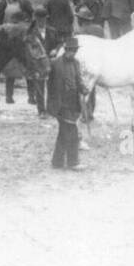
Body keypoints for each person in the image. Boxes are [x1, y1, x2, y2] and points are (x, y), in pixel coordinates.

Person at [48, 36, 85, 171]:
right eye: (70, 50)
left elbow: (79, 80)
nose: (73, 53)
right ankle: (73, 162)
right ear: (66, 50)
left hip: (73, 102)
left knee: (63, 133)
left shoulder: (76, 63)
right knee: (72, 132)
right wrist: (51, 105)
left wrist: (83, 88)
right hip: (60, 103)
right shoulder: (55, 64)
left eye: (74, 51)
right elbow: (49, 84)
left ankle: (57, 162)